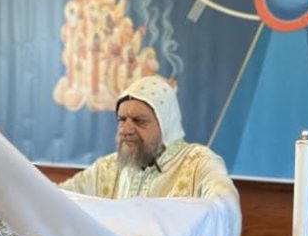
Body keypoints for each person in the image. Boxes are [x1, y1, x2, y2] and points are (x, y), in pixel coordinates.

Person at [59, 75, 238, 204]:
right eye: (121, 119)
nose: (126, 130)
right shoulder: (106, 168)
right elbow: (59, 198)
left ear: (165, 124)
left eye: (138, 121)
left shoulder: (200, 163)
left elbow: (223, 206)